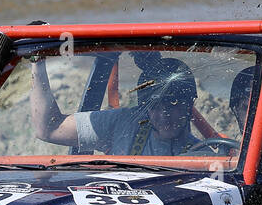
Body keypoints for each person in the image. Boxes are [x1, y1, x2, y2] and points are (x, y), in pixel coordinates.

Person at [32, 56, 202, 155]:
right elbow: (49, 129)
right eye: (155, 106)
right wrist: (37, 61)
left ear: (189, 104)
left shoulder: (204, 157)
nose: (164, 115)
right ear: (144, 108)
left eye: (173, 105)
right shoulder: (123, 124)